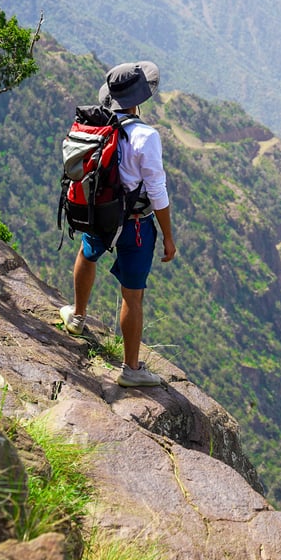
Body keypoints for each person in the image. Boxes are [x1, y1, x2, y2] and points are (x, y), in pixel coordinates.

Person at [60, 61, 176, 387]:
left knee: (87, 253)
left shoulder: (97, 127)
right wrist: (168, 236)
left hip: (100, 214)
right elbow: (157, 191)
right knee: (132, 295)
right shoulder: (146, 136)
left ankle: (77, 318)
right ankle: (131, 370)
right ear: (140, 98)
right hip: (135, 225)